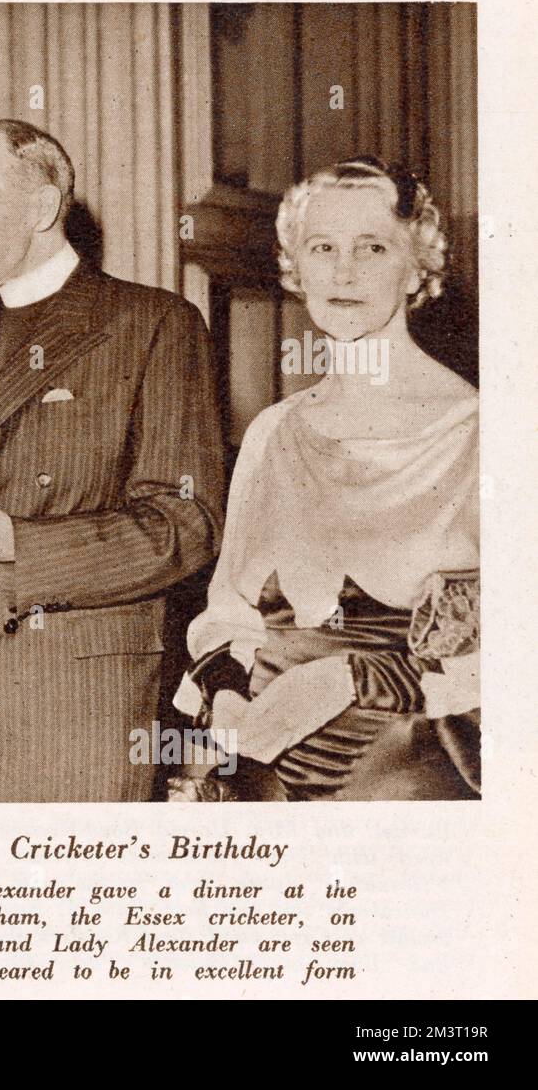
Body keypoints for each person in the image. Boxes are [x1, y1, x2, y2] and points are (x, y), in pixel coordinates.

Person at [0, 119, 226, 802]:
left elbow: (186, 523)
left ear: (43, 208)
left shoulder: (153, 325)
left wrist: (9, 543)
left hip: (69, 718)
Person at [170, 157, 480, 801]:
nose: (343, 271)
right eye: (323, 247)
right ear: (295, 265)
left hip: (406, 785)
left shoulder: (480, 432)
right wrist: (226, 700)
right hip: (265, 779)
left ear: (418, 263)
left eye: (372, 247)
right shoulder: (274, 433)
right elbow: (229, 615)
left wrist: (355, 677)